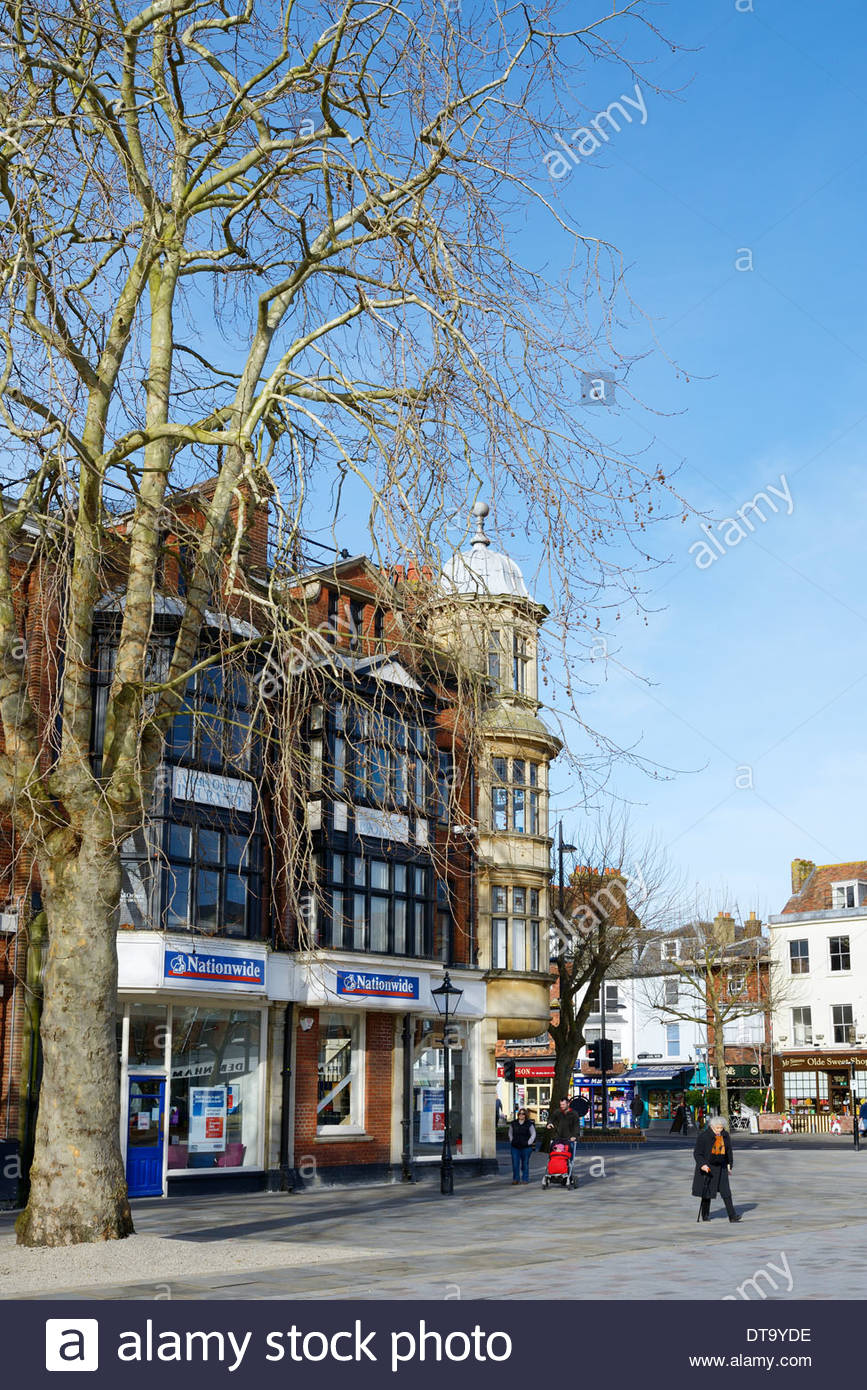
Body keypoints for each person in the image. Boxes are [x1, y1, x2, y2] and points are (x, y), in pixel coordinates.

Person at [693, 1117, 741, 1223]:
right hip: (708, 1167)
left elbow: (728, 1151)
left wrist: (729, 1165)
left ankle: (732, 1216)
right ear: (711, 1127)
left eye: (721, 1128)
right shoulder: (704, 1136)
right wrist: (702, 1165)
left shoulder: (725, 1135)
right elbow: (697, 1153)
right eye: (717, 1128)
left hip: (722, 1166)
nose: (719, 1130)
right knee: (707, 1192)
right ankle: (705, 1215)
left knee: (726, 1191)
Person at [508, 1107, 536, 1184]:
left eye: (523, 1114)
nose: (521, 1115)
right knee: (515, 1164)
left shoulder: (529, 1124)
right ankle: (516, 1179)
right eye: (520, 1113)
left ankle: (525, 1179)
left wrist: (529, 1142)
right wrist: (512, 1140)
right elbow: (510, 1133)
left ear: (525, 1115)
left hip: (526, 1147)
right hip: (515, 1147)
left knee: (525, 1164)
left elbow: (533, 1134)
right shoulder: (513, 1123)